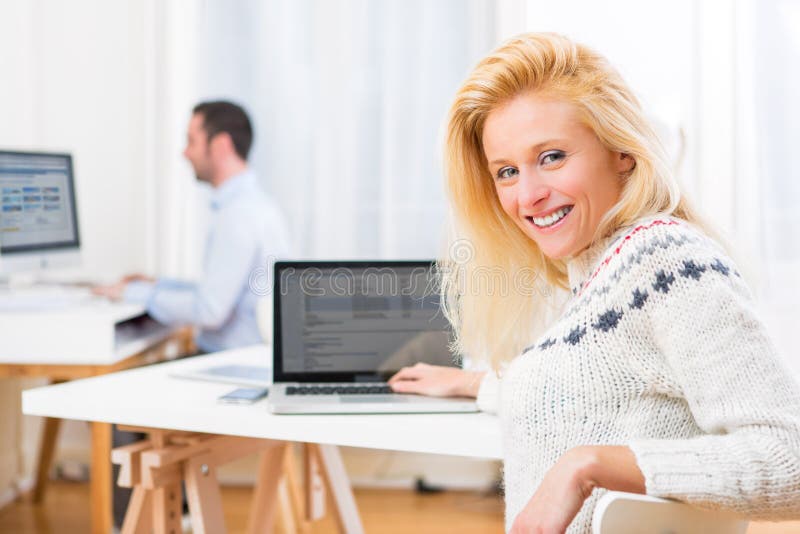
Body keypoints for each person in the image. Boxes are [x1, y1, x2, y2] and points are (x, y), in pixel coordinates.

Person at [388, 33, 800, 533]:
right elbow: (602, 391)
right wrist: (474, 384)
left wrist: (587, 466)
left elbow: (789, 459)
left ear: (620, 150)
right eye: (507, 172)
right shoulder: (600, 274)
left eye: (552, 157)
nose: (528, 196)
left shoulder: (665, 260)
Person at [94, 100, 290, 353]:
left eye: (191, 141)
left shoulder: (239, 214)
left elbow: (209, 310)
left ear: (220, 145)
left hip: (225, 358)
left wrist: (133, 294)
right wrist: (158, 285)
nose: (185, 153)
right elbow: (219, 293)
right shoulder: (254, 205)